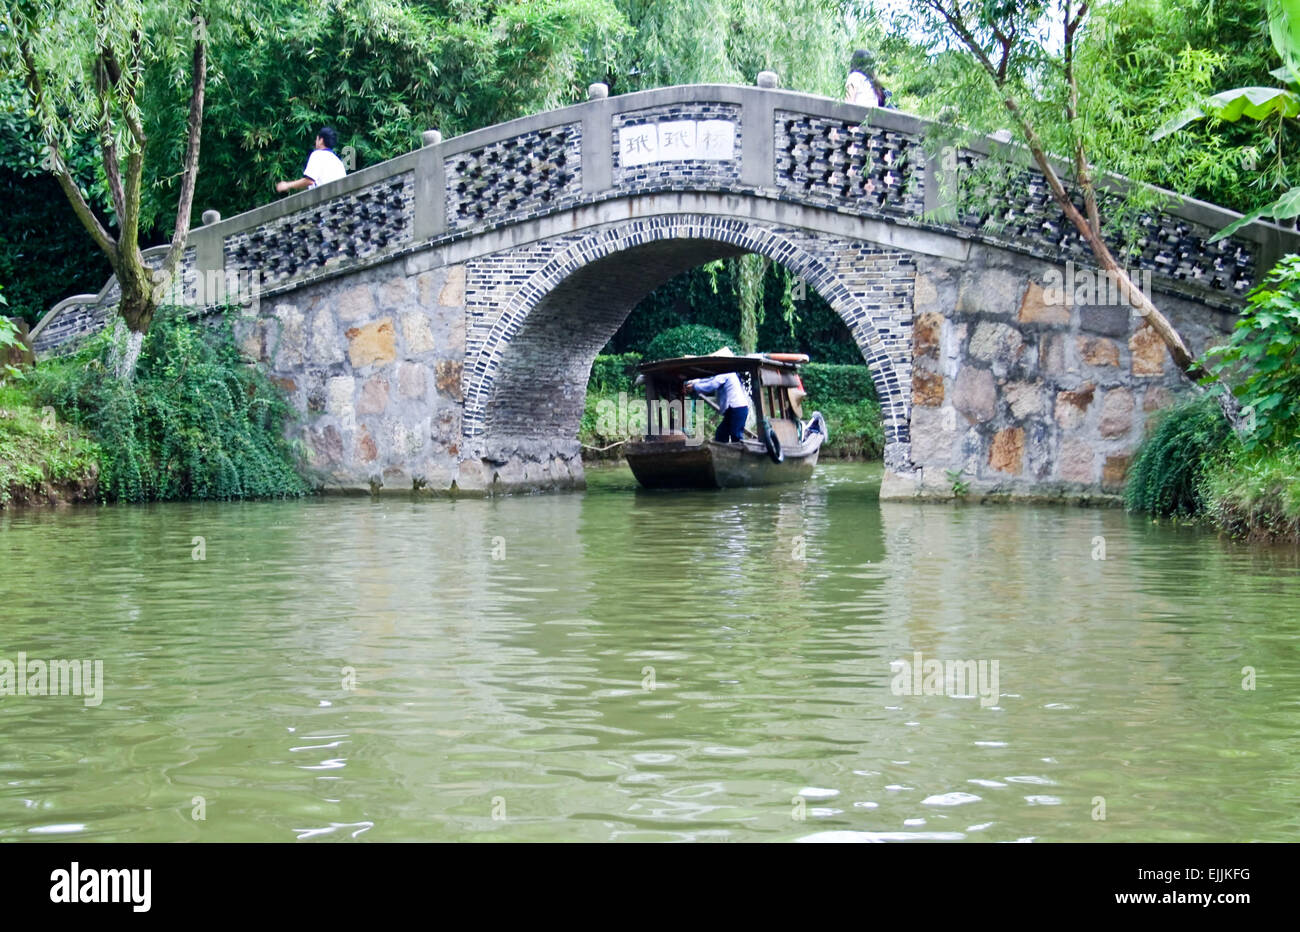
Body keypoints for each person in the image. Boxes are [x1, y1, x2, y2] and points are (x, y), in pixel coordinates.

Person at [275, 126, 347, 194]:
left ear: (321, 140)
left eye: (316, 139)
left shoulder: (317, 155)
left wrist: (287, 185)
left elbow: (310, 181)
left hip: (326, 201)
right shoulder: (338, 161)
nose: (315, 141)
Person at [687, 369, 750, 443]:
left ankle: (741, 454)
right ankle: (723, 452)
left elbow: (712, 385)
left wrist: (694, 387)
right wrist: (696, 382)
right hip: (733, 408)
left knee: (736, 435)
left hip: (738, 408)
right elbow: (711, 380)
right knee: (721, 434)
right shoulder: (725, 374)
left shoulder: (726, 372)